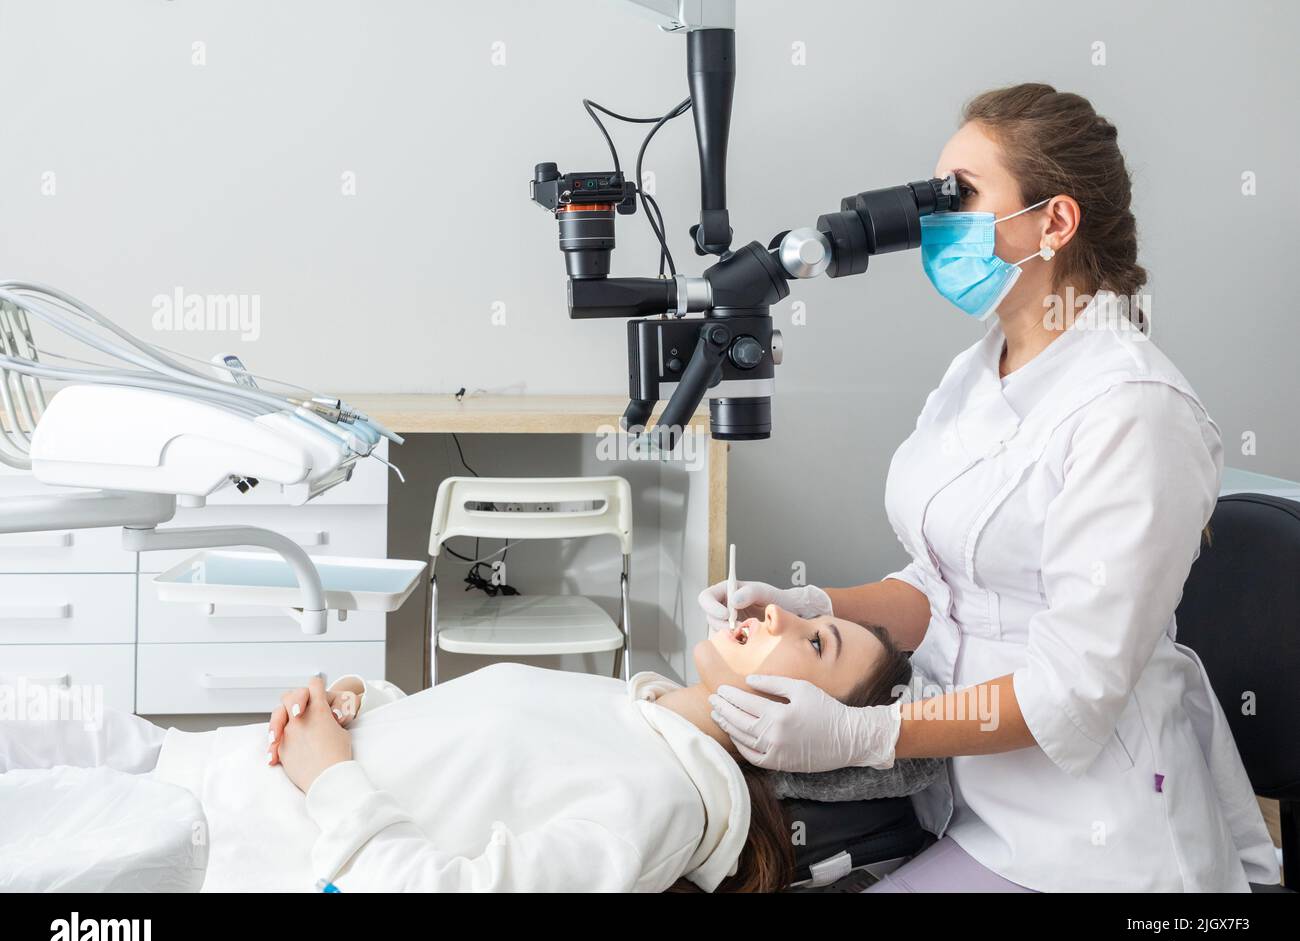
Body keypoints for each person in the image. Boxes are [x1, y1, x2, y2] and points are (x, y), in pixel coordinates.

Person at [702, 83, 1280, 892]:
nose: (937, 223)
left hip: (1094, 843)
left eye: (961, 197)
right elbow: (942, 584)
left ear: (1055, 221)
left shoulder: (1135, 411)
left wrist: (865, 736)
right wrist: (814, 605)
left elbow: (1070, 692)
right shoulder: (977, 371)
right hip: (972, 809)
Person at [0, 606, 911, 892]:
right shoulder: (632, 707)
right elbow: (470, 759)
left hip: (193, 854)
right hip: (189, 763)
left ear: (806, 727)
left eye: (817, 642)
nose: (784, 610)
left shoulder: (665, 805)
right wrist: (370, 705)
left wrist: (333, 778)